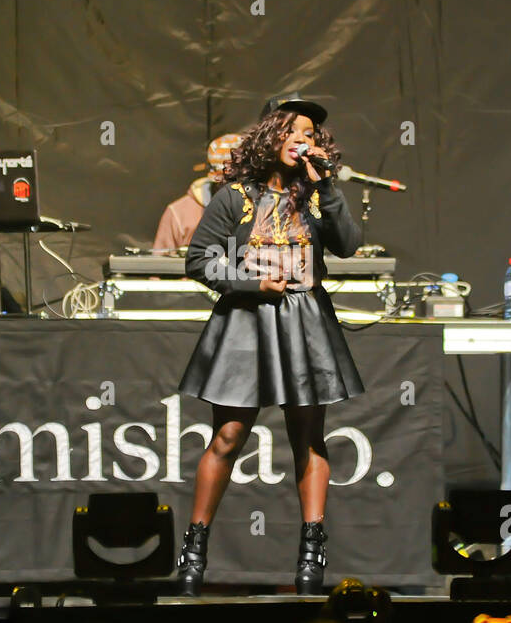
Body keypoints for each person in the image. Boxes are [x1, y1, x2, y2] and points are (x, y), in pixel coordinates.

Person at [175, 91, 365, 596]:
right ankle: (193, 553)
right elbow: (199, 260)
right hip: (246, 322)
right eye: (291, 132)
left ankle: (311, 554)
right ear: (269, 138)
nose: (300, 141)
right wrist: (249, 282)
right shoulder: (235, 196)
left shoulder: (317, 196)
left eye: (309, 135)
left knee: (309, 438)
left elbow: (348, 245)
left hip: (305, 322)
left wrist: (329, 187)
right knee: (228, 437)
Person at [152, 133, 242, 252]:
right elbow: (159, 267)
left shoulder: (265, 210)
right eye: (226, 182)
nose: (232, 189)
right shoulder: (178, 214)